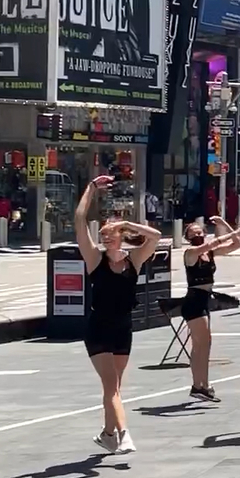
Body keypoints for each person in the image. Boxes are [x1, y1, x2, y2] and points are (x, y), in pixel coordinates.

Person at [75, 176, 161, 454]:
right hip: (99, 326)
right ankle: (124, 435)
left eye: (112, 233)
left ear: (121, 236)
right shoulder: (95, 259)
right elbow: (79, 222)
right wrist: (90, 188)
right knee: (111, 387)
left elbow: (155, 237)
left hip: (123, 327)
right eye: (103, 234)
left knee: (115, 388)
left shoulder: (133, 261)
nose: (106, 237)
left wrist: (126, 224)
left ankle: (108, 433)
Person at [182, 217, 240, 403]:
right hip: (194, 300)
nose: (198, 235)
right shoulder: (191, 252)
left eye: (200, 232)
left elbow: (236, 244)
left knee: (203, 345)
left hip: (204, 299)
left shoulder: (210, 254)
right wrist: (230, 233)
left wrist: (223, 224)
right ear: (187, 237)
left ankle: (201, 385)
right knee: (202, 343)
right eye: (193, 233)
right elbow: (214, 243)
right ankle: (200, 385)